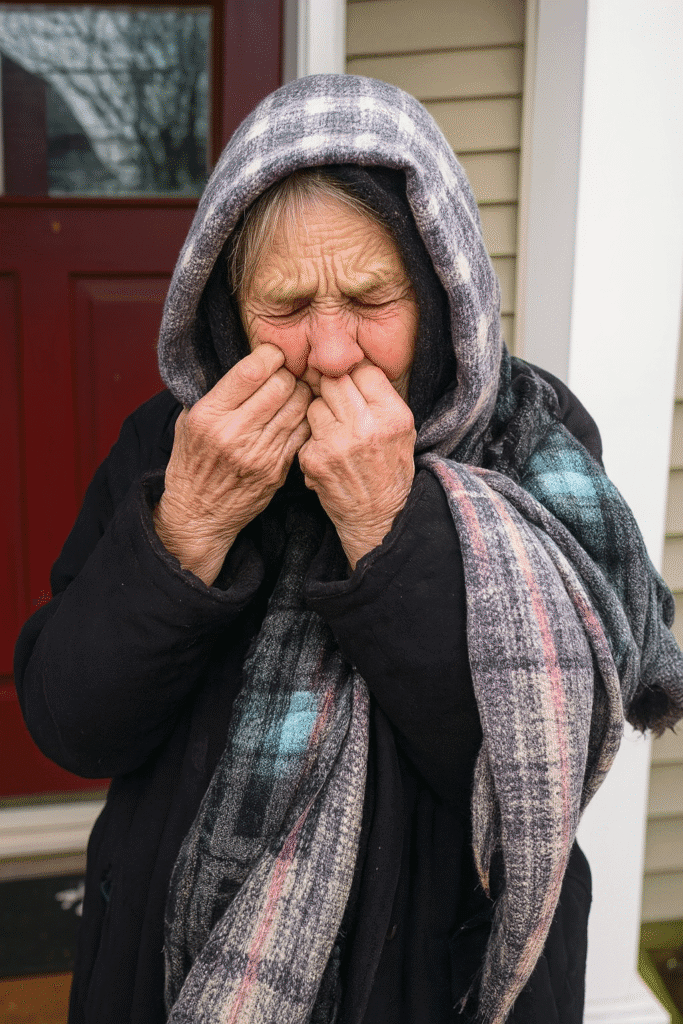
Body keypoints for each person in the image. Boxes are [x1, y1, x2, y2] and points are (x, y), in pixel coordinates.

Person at [14, 74, 683, 1024]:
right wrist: (190, 527)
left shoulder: (533, 446)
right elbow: (72, 723)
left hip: (442, 979)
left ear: (441, 289)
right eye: (284, 306)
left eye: (371, 297)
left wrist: (388, 530)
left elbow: (531, 769)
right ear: (224, 309)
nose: (331, 351)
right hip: (160, 966)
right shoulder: (175, 445)